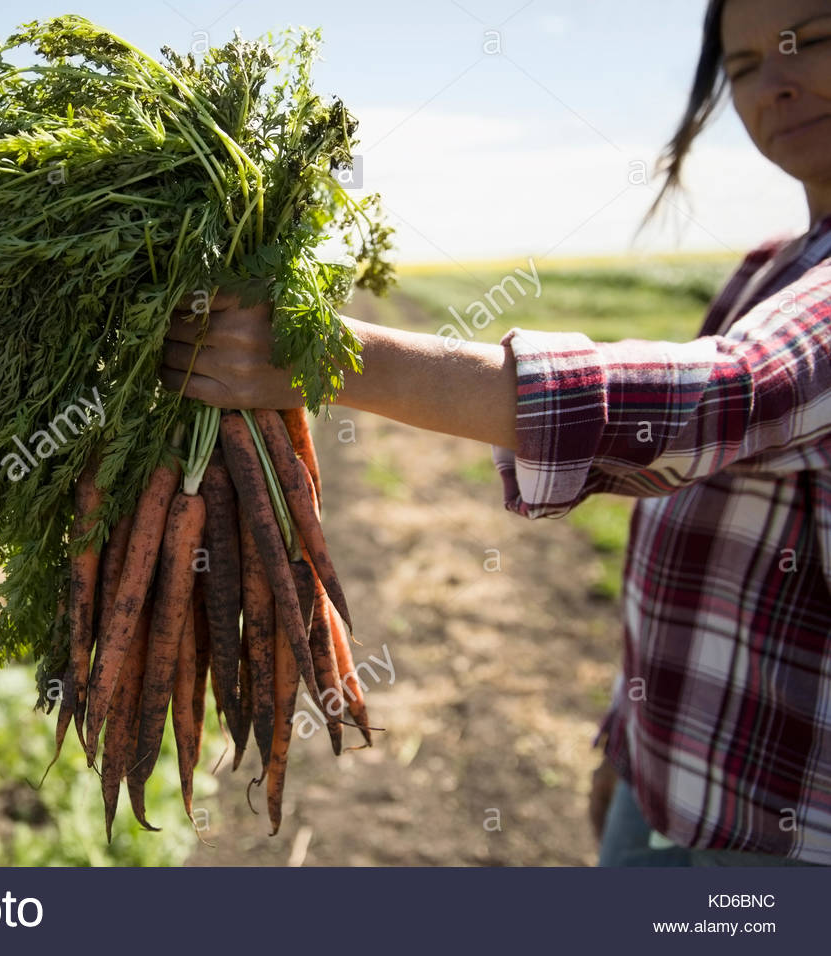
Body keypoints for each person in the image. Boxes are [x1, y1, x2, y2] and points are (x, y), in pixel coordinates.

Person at [160, 0, 831, 866]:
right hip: (667, 772)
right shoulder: (770, 268)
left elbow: (724, 397)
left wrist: (333, 356)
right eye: (740, 68)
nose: (773, 84)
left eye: (808, 42)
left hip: (777, 836)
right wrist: (627, 745)